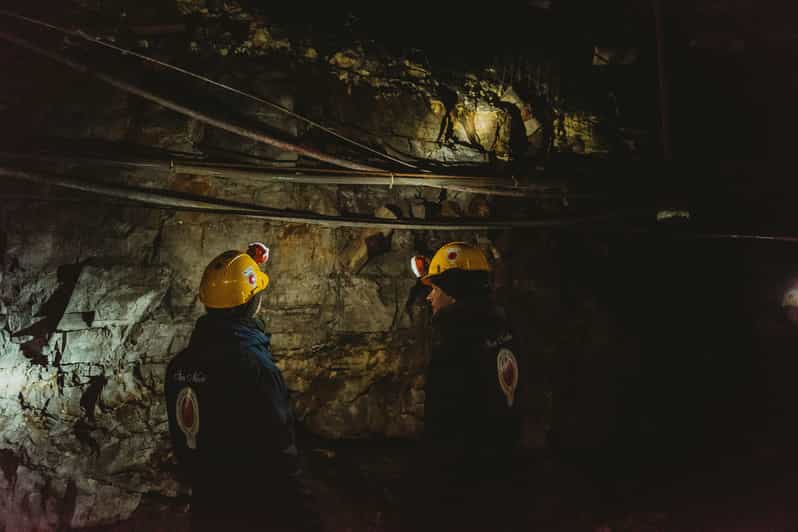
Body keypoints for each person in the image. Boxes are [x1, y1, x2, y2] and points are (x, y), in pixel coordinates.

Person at [165, 247, 321, 532]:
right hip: (253, 510)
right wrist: (308, 519)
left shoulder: (179, 366)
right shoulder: (255, 368)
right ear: (252, 303)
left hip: (207, 507)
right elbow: (281, 455)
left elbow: (184, 444)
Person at [406, 241, 523, 531]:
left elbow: (443, 423)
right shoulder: (502, 328)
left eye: (436, 289)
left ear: (455, 292)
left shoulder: (456, 341)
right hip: (500, 466)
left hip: (463, 477)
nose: (430, 297)